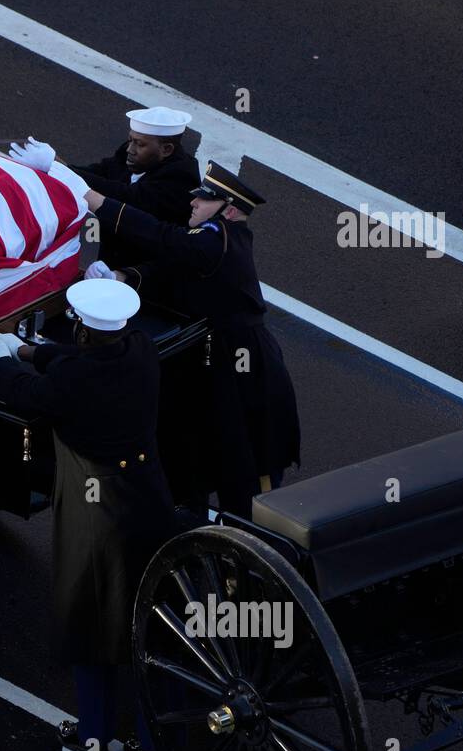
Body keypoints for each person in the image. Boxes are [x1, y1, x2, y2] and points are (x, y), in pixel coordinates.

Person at [0, 279, 179, 751]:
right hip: (149, 500)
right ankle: (153, 737)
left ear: (82, 330)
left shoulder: (73, 382)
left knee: (89, 623)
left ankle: (94, 735)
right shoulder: (140, 352)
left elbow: (28, 395)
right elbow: (74, 363)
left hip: (96, 515)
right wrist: (33, 351)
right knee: (146, 616)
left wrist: (3, 358)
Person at [76, 160, 301, 518]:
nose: (193, 204)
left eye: (203, 200)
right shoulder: (216, 238)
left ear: (228, 209)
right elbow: (172, 269)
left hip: (242, 367)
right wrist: (122, 276)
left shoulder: (217, 239)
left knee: (245, 460)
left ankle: (251, 543)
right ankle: (195, 517)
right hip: (218, 357)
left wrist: (93, 199)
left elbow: (162, 237)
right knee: (199, 444)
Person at [66, 106, 200, 268]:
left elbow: (128, 197)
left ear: (166, 149)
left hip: (145, 268)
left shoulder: (181, 177)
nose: (130, 149)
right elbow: (101, 171)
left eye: (140, 144)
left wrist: (66, 172)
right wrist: (59, 167)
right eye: (131, 140)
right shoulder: (130, 153)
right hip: (113, 252)